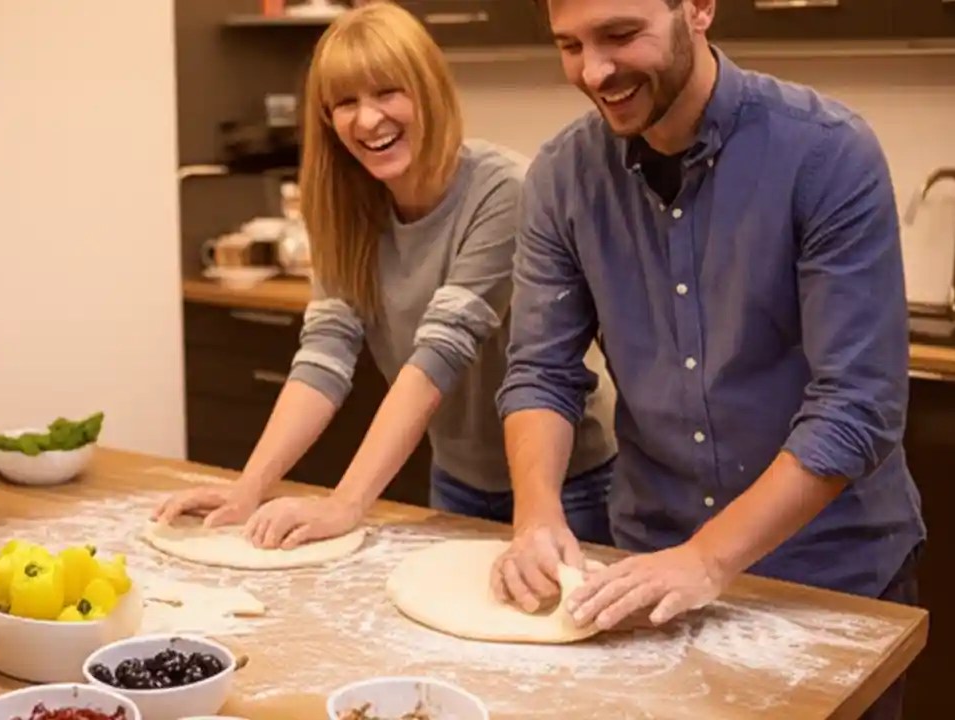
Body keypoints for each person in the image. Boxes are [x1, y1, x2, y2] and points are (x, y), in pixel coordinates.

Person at [493, 1, 925, 717]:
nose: (594, 71)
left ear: (697, 8)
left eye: (620, 35)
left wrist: (709, 558)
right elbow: (541, 371)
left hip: (831, 575)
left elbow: (856, 408)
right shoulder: (562, 178)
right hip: (649, 574)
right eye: (569, 45)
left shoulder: (826, 152)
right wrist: (536, 515)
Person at [154, 1, 618, 549]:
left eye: (387, 92)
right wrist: (248, 489)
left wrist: (347, 504)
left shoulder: (505, 191)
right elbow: (323, 357)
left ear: (429, 91)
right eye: (345, 102)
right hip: (456, 481)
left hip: (569, 489)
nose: (368, 119)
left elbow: (436, 358)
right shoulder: (344, 209)